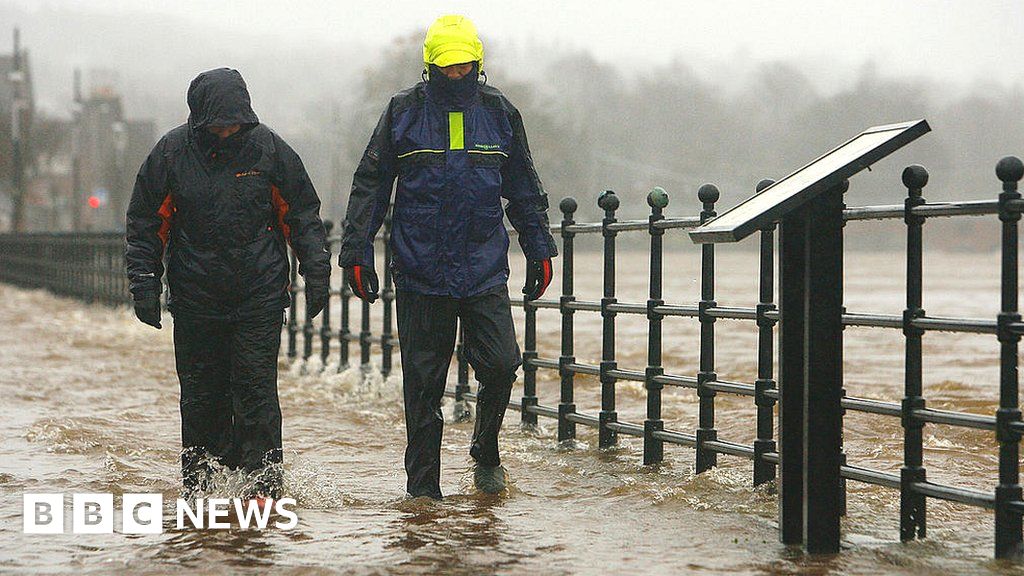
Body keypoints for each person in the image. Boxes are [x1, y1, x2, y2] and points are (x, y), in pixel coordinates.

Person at [339, 15, 558, 498]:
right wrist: (357, 249)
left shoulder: (500, 113)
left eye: (463, 66)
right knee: (423, 384)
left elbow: (523, 187)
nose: (455, 74)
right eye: (447, 67)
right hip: (420, 270)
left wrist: (538, 247)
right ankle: (423, 493)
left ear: (477, 63)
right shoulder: (402, 112)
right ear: (429, 67)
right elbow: (371, 185)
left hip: (483, 267)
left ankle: (485, 449)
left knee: (502, 364)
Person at [125, 68, 331, 500]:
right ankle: (202, 489)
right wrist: (144, 282)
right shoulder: (170, 154)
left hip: (259, 296)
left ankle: (263, 489)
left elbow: (302, 215)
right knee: (201, 396)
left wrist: (315, 271)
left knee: (256, 389)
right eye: (217, 125)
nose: (226, 131)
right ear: (199, 120)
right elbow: (146, 224)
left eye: (234, 123)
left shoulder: (270, 151)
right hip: (195, 298)